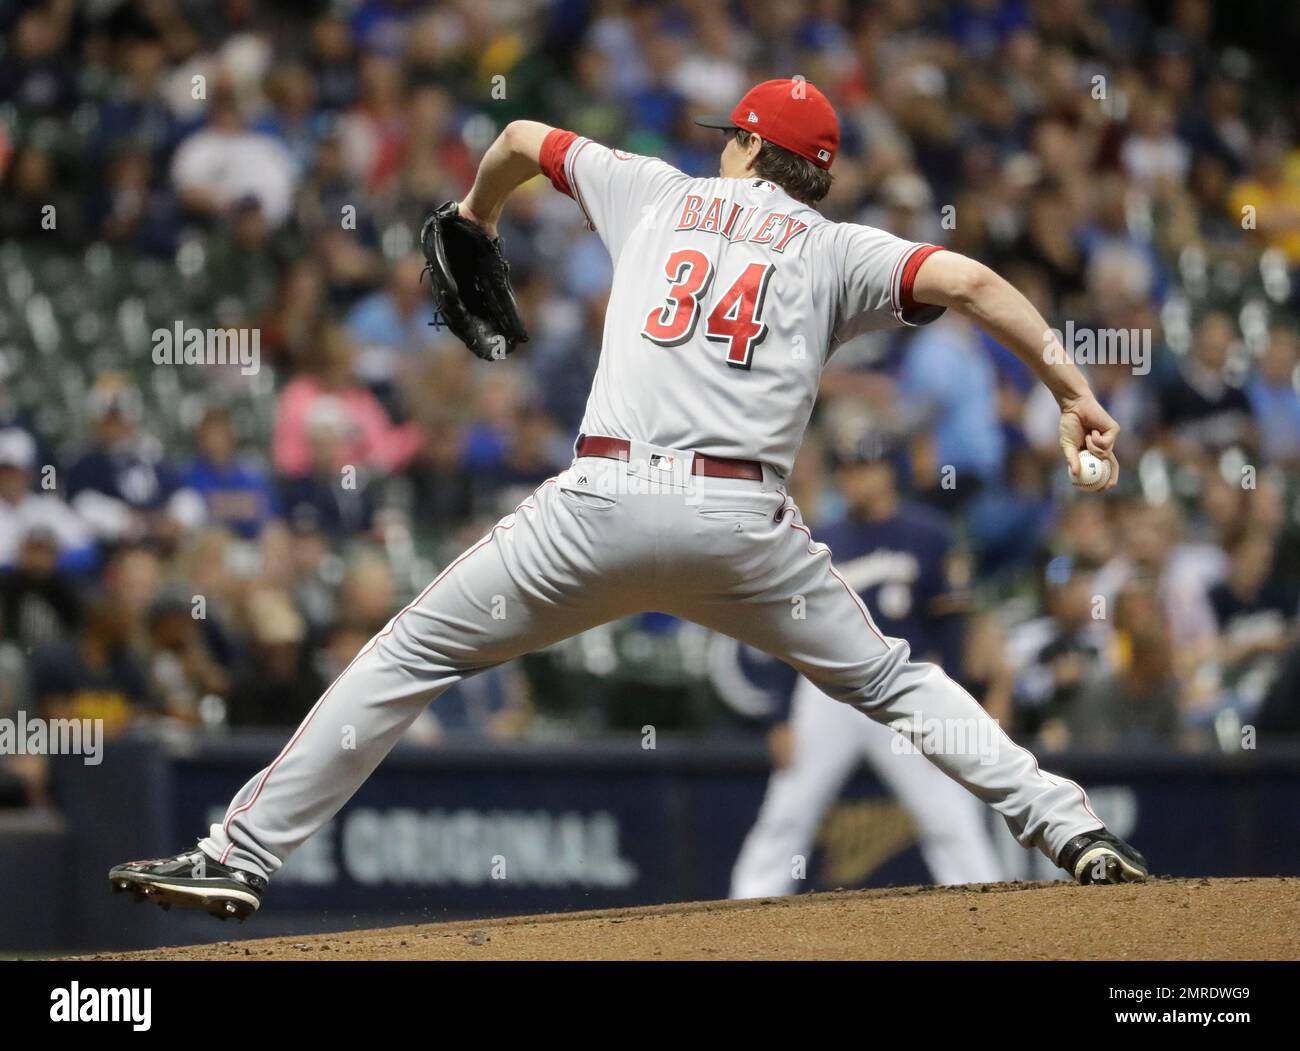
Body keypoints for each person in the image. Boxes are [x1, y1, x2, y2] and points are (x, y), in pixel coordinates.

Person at [111, 79, 1146, 920]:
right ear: (817, 172)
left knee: (410, 654)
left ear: (744, 143)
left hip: (601, 499)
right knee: (890, 679)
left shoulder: (651, 188)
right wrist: (1070, 387)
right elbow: (968, 282)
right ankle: (1071, 829)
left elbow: (517, 132)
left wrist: (477, 213)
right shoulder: (839, 250)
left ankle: (237, 854)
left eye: (731, 138)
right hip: (743, 527)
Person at [720, 431, 1003, 897]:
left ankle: (987, 905)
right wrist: (780, 717)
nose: (853, 478)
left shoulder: (927, 533)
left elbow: (952, 628)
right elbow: (792, 633)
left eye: (863, 467)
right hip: (828, 690)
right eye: (847, 469)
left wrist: (954, 705)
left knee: (945, 810)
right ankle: (748, 906)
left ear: (889, 471)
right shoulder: (821, 539)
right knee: (790, 809)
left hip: (901, 687)